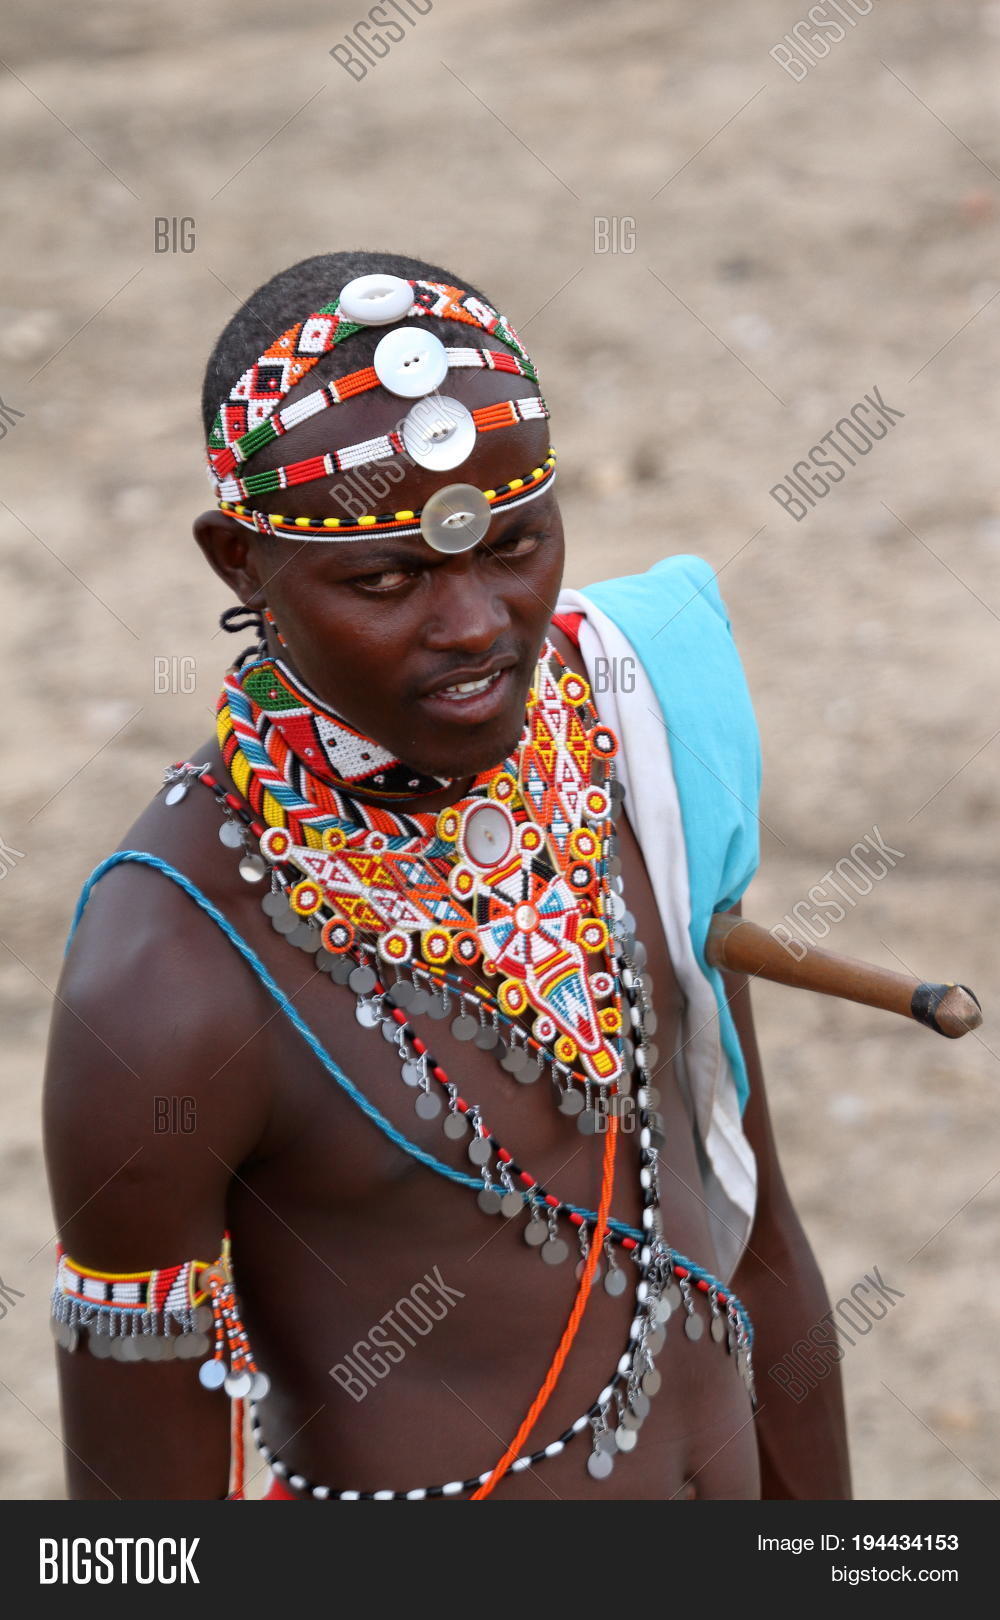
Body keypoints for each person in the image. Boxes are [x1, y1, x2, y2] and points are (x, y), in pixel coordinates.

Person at [43, 250, 851, 1501]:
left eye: (515, 548)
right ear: (237, 564)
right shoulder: (169, 976)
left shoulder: (636, 742)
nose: (477, 625)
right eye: (387, 578)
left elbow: (759, 1245)